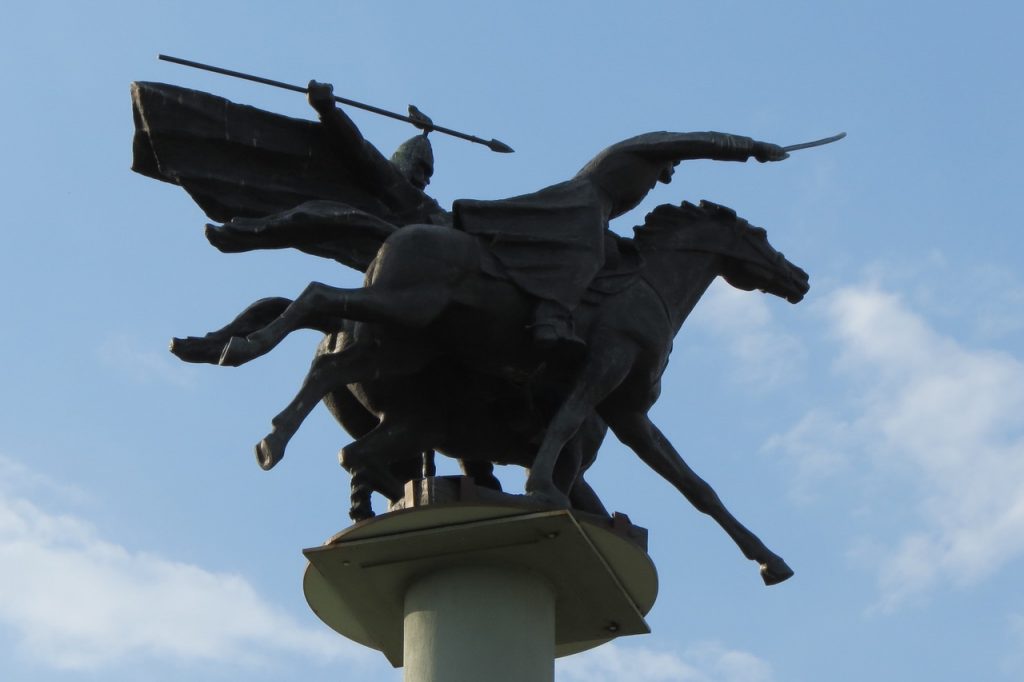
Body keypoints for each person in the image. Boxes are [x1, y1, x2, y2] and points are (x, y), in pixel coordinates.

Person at [452, 131, 789, 353]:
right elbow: (702, 143)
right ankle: (549, 318)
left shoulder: (644, 165)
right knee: (586, 254)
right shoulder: (647, 147)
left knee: (617, 254)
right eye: (673, 163)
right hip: (584, 204)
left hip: (594, 213)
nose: (669, 174)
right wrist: (751, 148)